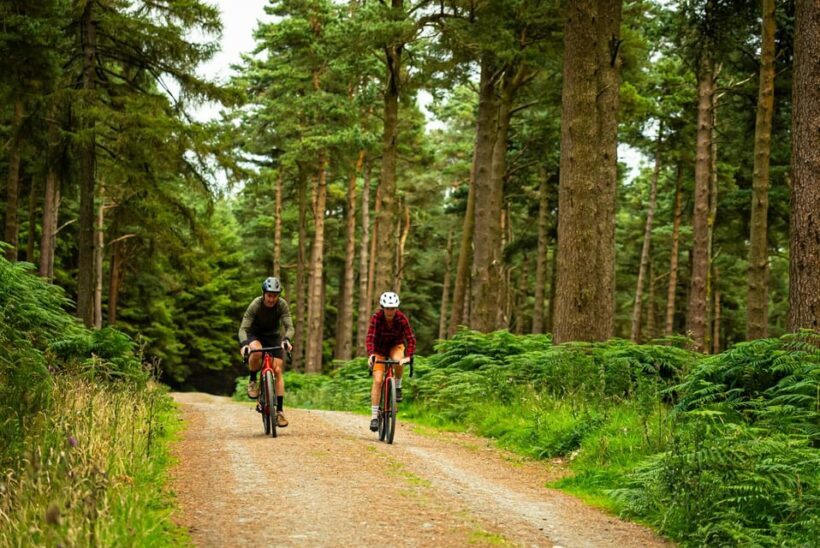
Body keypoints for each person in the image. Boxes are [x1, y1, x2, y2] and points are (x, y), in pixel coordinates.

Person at [238, 276, 294, 428]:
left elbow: (290, 327)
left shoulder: (282, 305)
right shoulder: (255, 304)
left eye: (275, 296)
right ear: (264, 294)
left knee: (277, 370)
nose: (271, 299)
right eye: (269, 295)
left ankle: (280, 411)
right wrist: (244, 344)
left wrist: (287, 340)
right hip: (255, 334)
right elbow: (243, 328)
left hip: (273, 336)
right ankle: (252, 380)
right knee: (256, 352)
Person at [366, 291, 416, 432]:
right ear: (383, 307)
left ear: (396, 308)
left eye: (393, 308)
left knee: (398, 360)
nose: (390, 311)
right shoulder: (376, 318)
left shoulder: (401, 319)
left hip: (395, 346)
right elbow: (370, 338)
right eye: (387, 308)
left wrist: (409, 356)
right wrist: (371, 355)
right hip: (379, 350)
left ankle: (398, 387)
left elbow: (411, 338)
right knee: (377, 381)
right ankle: (374, 417)